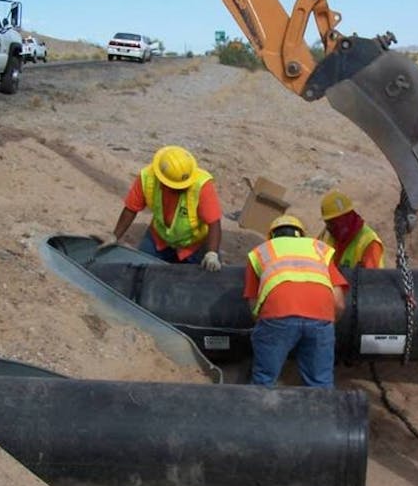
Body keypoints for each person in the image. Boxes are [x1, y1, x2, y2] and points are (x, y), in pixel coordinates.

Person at [243, 214, 348, 388]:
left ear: (272, 236)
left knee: (264, 380)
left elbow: (253, 305)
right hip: (320, 315)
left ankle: (259, 411)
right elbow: (339, 303)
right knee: (320, 383)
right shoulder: (318, 248)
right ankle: (321, 414)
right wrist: (324, 325)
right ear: (301, 234)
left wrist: (268, 328)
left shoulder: (262, 251)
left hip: (277, 313)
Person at [101, 145, 223, 271]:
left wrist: (212, 254)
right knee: (140, 270)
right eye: (176, 186)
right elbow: (131, 208)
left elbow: (214, 223)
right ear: (163, 181)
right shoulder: (147, 178)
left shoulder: (201, 186)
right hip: (159, 238)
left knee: (206, 277)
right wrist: (114, 236)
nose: (182, 188)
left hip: (194, 245)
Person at [318, 190, 385, 269]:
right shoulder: (326, 235)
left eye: (344, 219)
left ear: (352, 215)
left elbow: (373, 278)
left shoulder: (369, 242)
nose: (340, 225)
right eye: (333, 222)